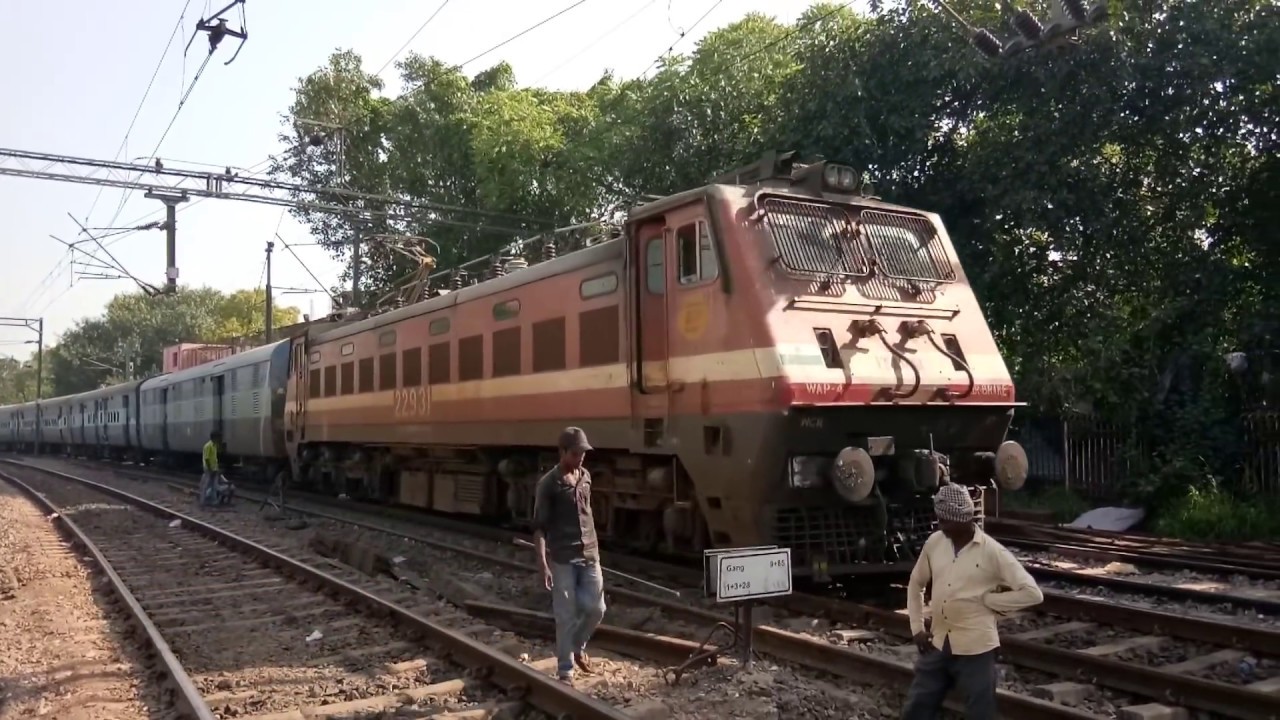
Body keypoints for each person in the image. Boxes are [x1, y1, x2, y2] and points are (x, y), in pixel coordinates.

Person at [903, 483, 1044, 719]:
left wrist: (991, 601)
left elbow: (1032, 593)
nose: (941, 527)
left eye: (945, 521)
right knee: (916, 709)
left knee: (980, 713)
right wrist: (917, 628)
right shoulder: (935, 543)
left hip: (976, 648)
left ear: (963, 520)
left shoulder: (992, 552)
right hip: (938, 643)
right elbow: (916, 584)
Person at [532, 426, 606, 683]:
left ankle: (576, 646)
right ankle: (565, 670)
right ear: (562, 452)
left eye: (583, 452)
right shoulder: (548, 484)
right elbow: (539, 527)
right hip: (562, 558)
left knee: (596, 608)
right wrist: (543, 563)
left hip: (589, 554)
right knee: (565, 614)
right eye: (576, 453)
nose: (581, 457)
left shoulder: (585, 477)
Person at [199, 430, 223, 508]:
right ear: (214, 438)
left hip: (214, 469)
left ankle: (213, 501)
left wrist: (216, 468)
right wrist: (210, 469)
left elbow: (214, 458)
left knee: (214, 486)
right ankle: (202, 501)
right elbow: (206, 458)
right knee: (206, 485)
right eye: (219, 437)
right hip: (209, 469)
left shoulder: (214, 445)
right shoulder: (208, 446)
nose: (220, 439)